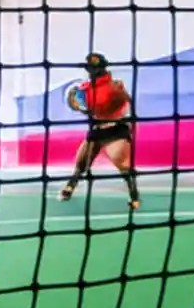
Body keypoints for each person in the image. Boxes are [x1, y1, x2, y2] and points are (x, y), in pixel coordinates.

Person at [59, 52, 141, 209]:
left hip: (115, 129)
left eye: (96, 68)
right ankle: (70, 187)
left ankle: (134, 197)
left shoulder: (115, 86)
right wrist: (80, 106)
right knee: (82, 162)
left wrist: (131, 120)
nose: (93, 71)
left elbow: (125, 102)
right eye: (91, 68)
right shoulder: (86, 88)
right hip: (97, 129)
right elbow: (88, 109)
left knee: (123, 165)